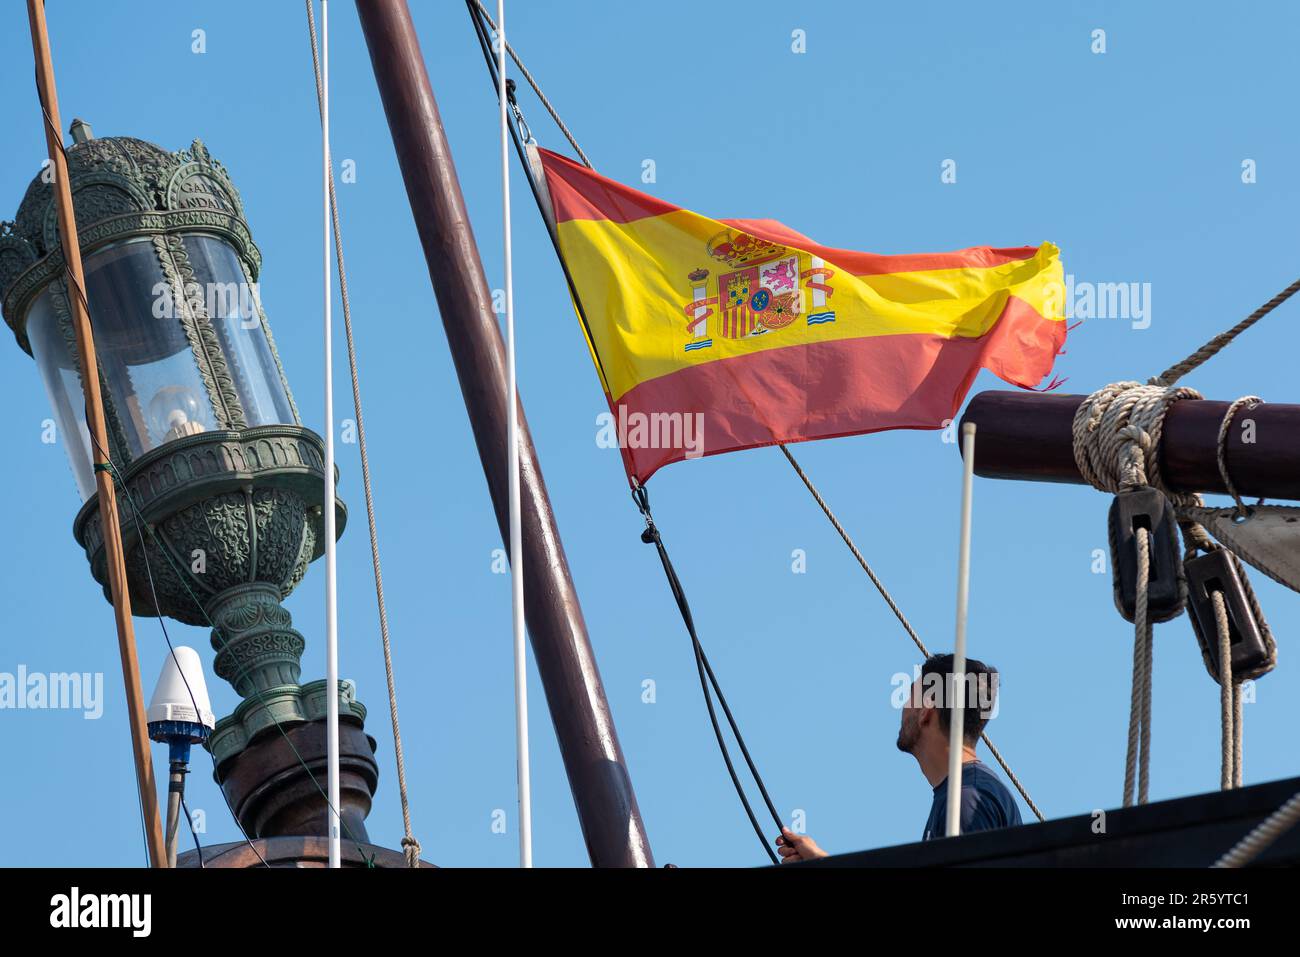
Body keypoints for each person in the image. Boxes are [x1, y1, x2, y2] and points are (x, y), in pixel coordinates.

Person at [776, 653, 1022, 863]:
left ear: (926, 710)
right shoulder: (969, 793)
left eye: (910, 695)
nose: (903, 706)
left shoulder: (963, 800)